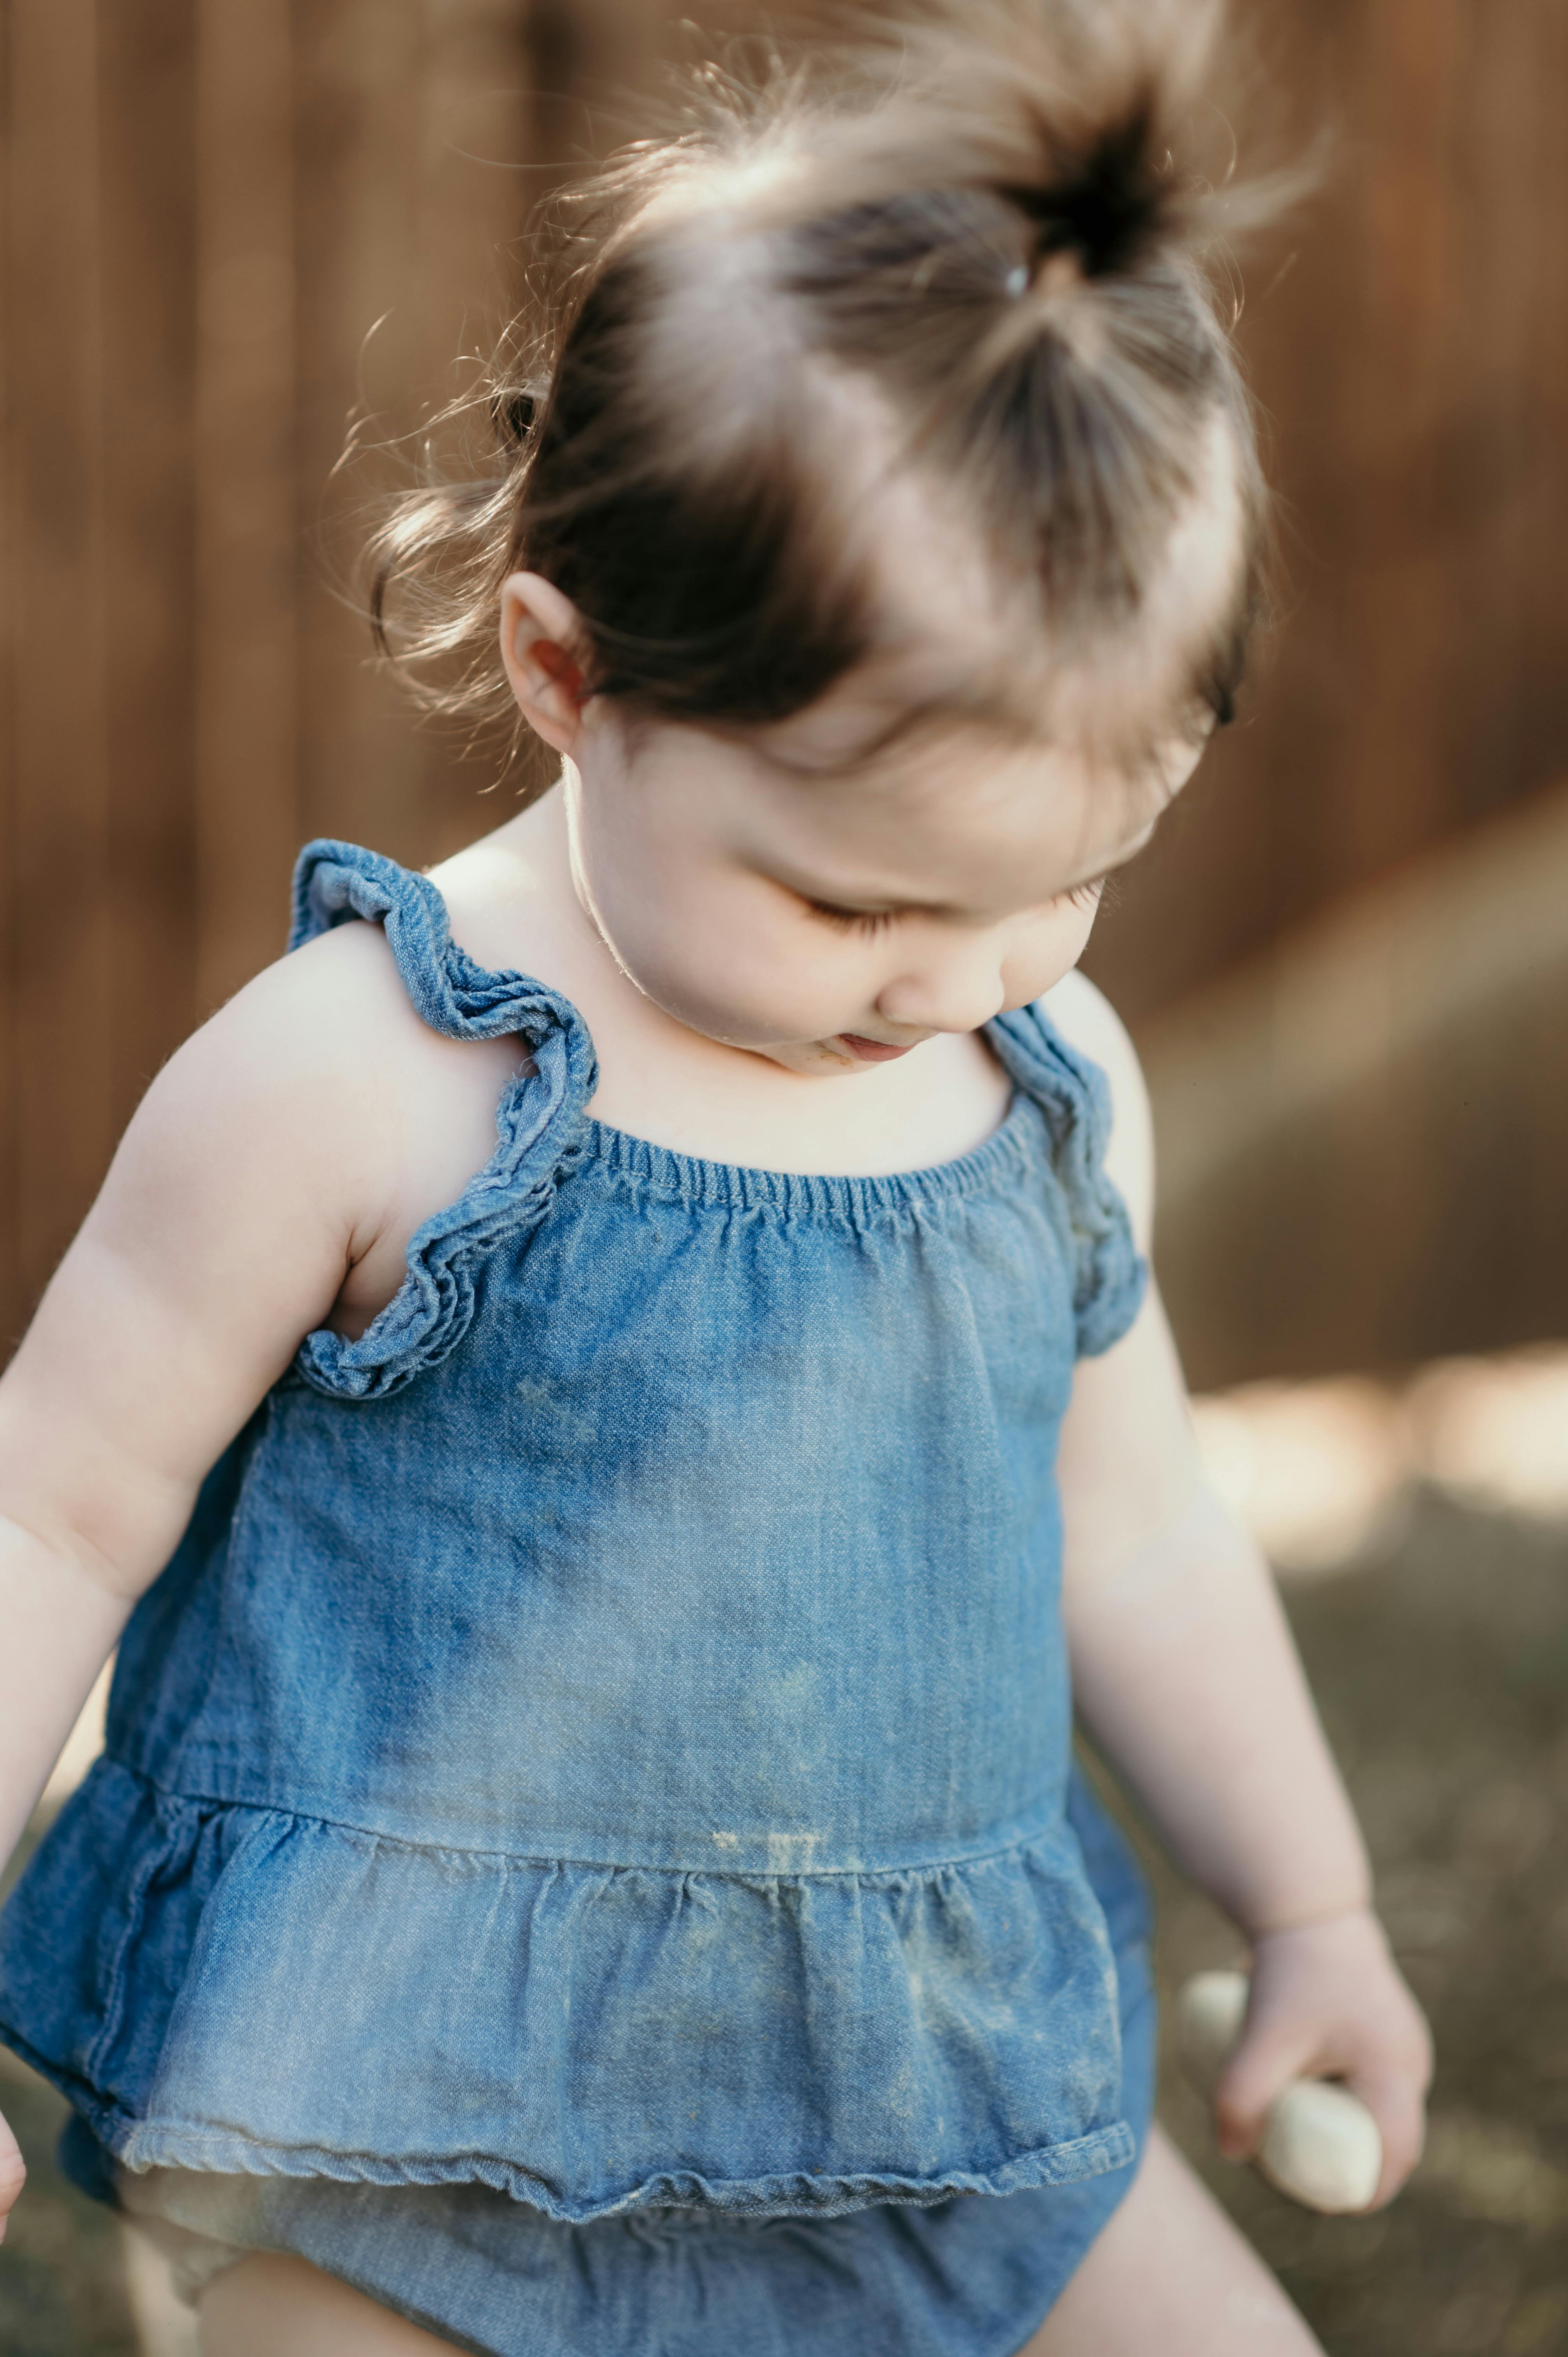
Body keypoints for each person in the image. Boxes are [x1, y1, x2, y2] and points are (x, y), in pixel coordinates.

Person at [0, 5, 1430, 2351]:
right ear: (565, 673)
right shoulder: (360, 1084)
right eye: (851, 902)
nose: (942, 979)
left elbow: (1139, 1517)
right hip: (404, 2117)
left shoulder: (1042, 1076)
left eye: (1061, 881)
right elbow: (52, 1508)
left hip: (916, 2079)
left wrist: (1314, 1911)